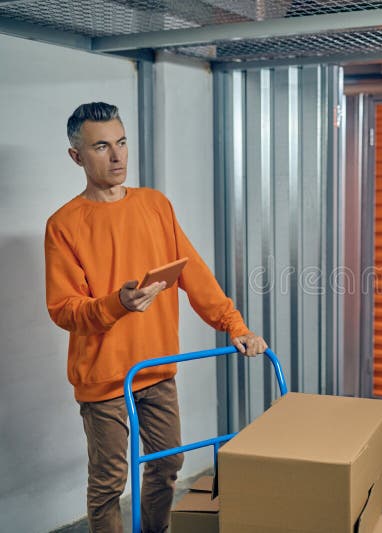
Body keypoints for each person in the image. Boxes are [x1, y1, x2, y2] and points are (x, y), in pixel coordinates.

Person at [44, 102, 267, 533]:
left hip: (157, 369)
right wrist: (118, 304)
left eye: (122, 142)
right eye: (101, 146)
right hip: (104, 378)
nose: (117, 156)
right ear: (76, 156)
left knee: (167, 464)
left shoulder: (154, 204)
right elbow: (63, 309)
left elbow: (194, 275)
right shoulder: (64, 225)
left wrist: (234, 325)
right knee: (109, 482)